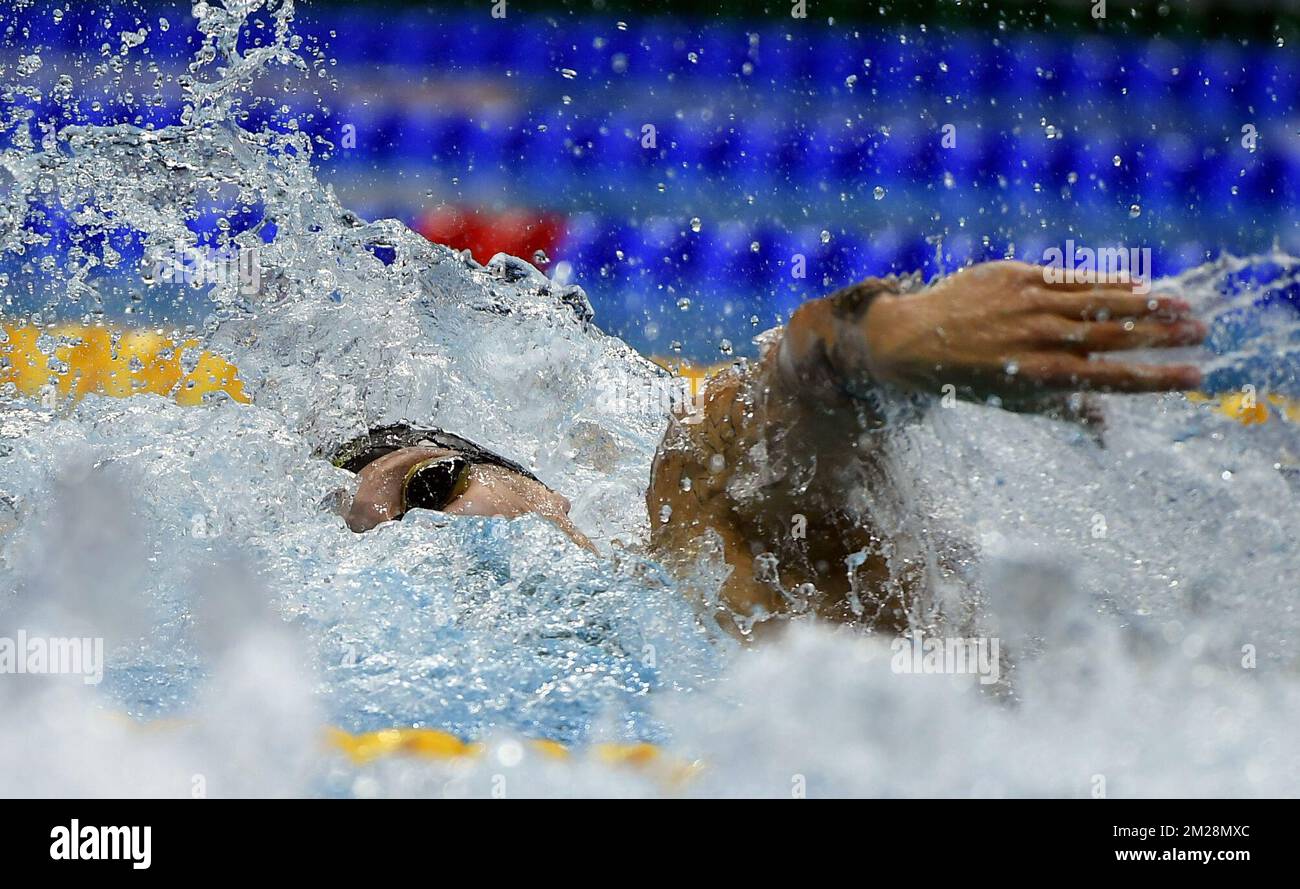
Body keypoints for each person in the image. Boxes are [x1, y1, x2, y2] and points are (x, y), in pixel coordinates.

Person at [333, 260, 1205, 638]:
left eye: (430, 487)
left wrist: (881, 338)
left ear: (538, 488)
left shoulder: (695, 534)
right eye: (377, 537)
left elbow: (764, 410)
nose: (421, 535)